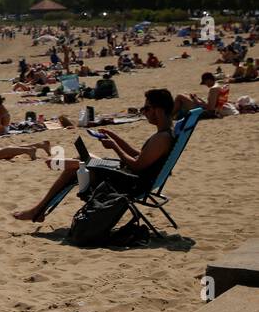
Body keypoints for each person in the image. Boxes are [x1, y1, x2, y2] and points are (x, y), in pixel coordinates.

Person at [13, 89, 177, 222]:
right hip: (129, 176)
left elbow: (137, 165)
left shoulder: (161, 138)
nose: (144, 112)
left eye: (146, 108)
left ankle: (39, 208)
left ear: (158, 110)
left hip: (130, 183)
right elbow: (139, 156)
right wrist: (115, 138)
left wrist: (114, 147)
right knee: (86, 158)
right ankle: (41, 205)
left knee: (78, 167)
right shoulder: (164, 134)